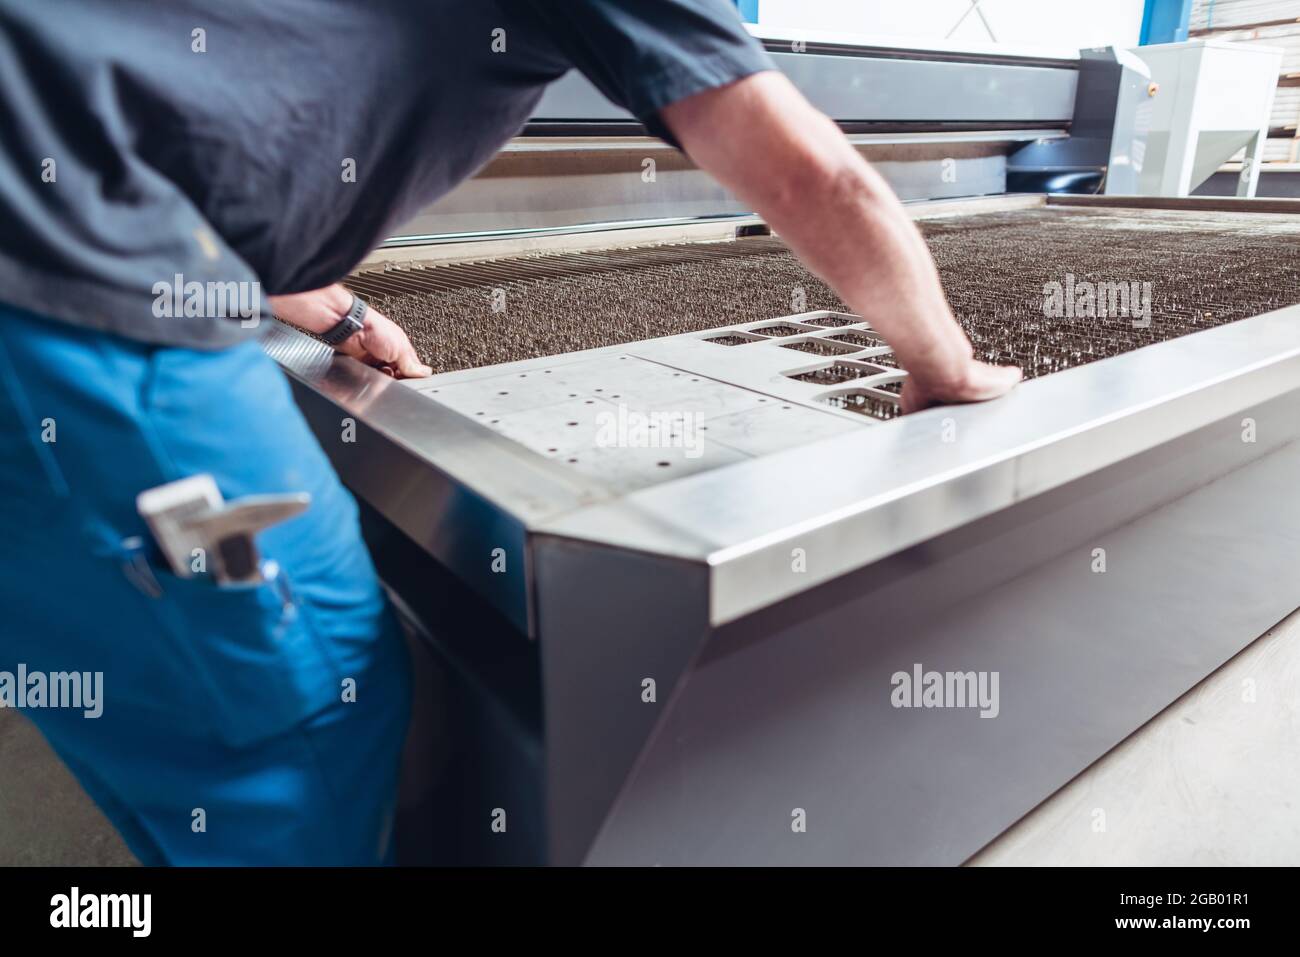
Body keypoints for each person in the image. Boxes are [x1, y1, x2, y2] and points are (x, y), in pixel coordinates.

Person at [0, 0, 1020, 865]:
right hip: (83, 314)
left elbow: (202, 112)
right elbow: (806, 174)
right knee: (307, 717)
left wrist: (337, 312)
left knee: (117, 680)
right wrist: (944, 363)